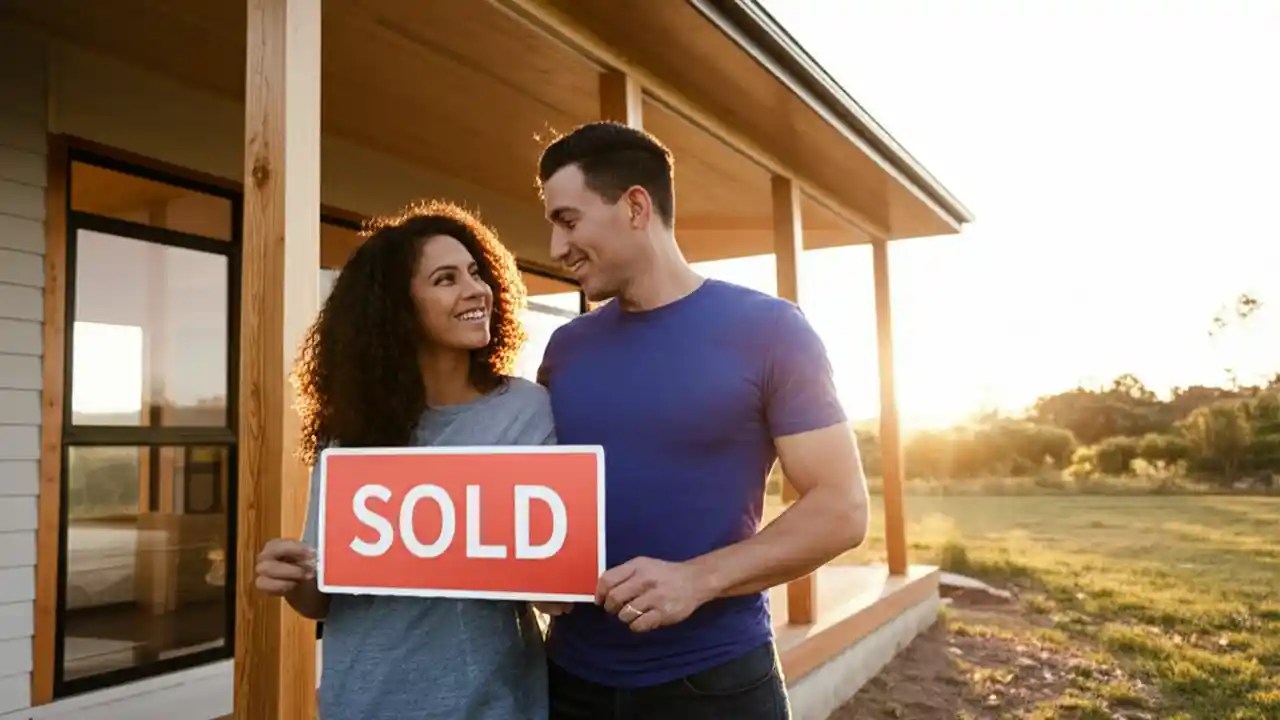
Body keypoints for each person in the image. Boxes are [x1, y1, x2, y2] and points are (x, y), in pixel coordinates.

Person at [532, 122, 871, 719]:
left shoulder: (770, 330)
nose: (556, 247)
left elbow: (841, 507)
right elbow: (541, 495)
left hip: (714, 685)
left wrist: (697, 579)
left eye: (568, 219)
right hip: (569, 682)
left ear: (635, 206)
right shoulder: (565, 348)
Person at [253, 200, 554, 720]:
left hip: (495, 702)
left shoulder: (526, 410)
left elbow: (552, 582)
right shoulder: (352, 430)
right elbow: (325, 597)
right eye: (445, 279)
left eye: (475, 272)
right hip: (367, 700)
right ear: (396, 309)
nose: (476, 289)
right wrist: (293, 579)